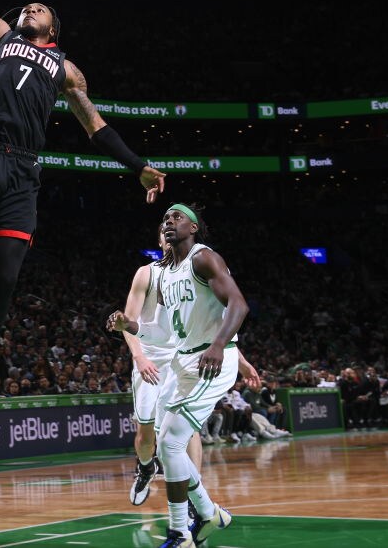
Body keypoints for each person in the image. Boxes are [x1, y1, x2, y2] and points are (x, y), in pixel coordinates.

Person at [0, 0, 166, 429]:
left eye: (40, 8)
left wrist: (138, 166)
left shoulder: (65, 69)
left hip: (23, 171)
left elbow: (95, 126)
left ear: (53, 29)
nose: (30, 8)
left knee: (6, 277)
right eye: (27, 6)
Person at [109, 204, 249, 548]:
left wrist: (219, 345)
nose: (169, 221)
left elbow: (239, 304)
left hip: (209, 362)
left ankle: (179, 533)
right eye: (165, 218)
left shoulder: (204, 258)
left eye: (177, 217)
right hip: (182, 362)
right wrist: (131, 326)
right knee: (163, 438)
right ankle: (209, 513)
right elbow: (164, 333)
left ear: (193, 227)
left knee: (172, 442)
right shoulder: (167, 275)